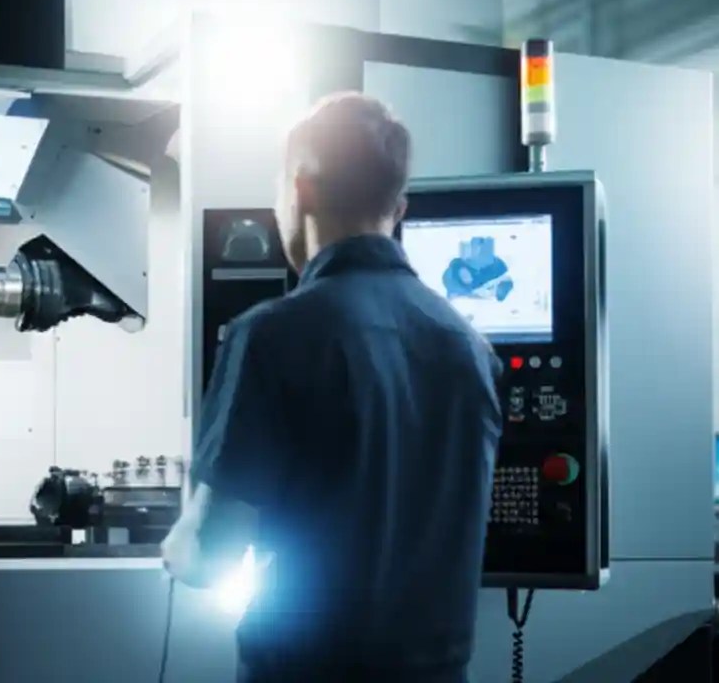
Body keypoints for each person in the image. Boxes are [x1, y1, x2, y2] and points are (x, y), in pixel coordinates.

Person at [161, 92, 503, 682]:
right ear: (398, 208)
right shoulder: (471, 349)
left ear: (299, 190)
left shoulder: (272, 336)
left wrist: (176, 544)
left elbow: (210, 558)